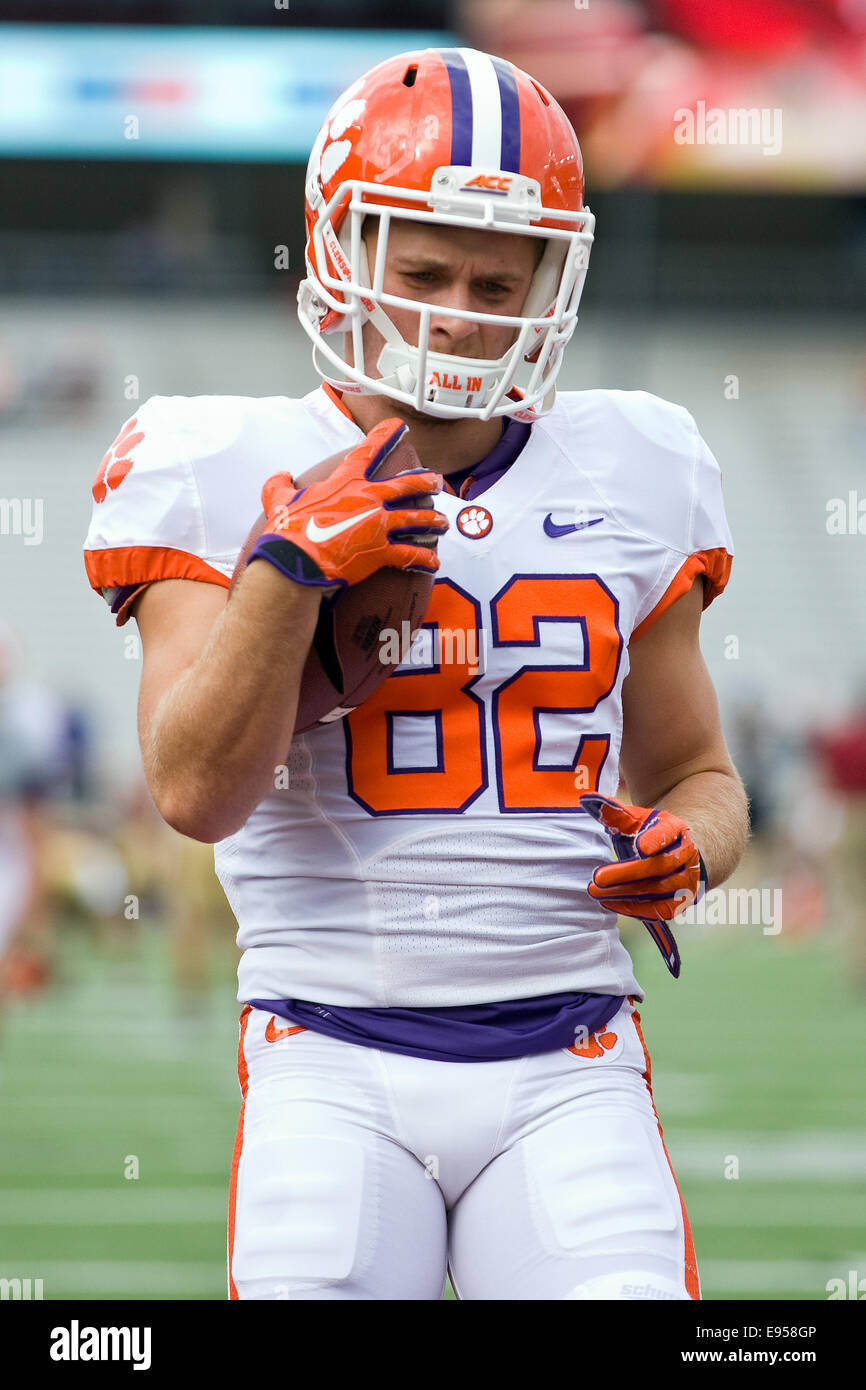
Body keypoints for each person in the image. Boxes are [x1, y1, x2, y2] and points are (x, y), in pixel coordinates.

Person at [84, 47, 748, 1300]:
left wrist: (694, 848)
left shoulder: (635, 461)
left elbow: (702, 774)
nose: (460, 310)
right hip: (325, 1052)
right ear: (339, 250)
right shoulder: (221, 454)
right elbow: (192, 791)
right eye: (426, 268)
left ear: (555, 276)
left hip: (572, 1054)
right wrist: (283, 568)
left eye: (500, 278)